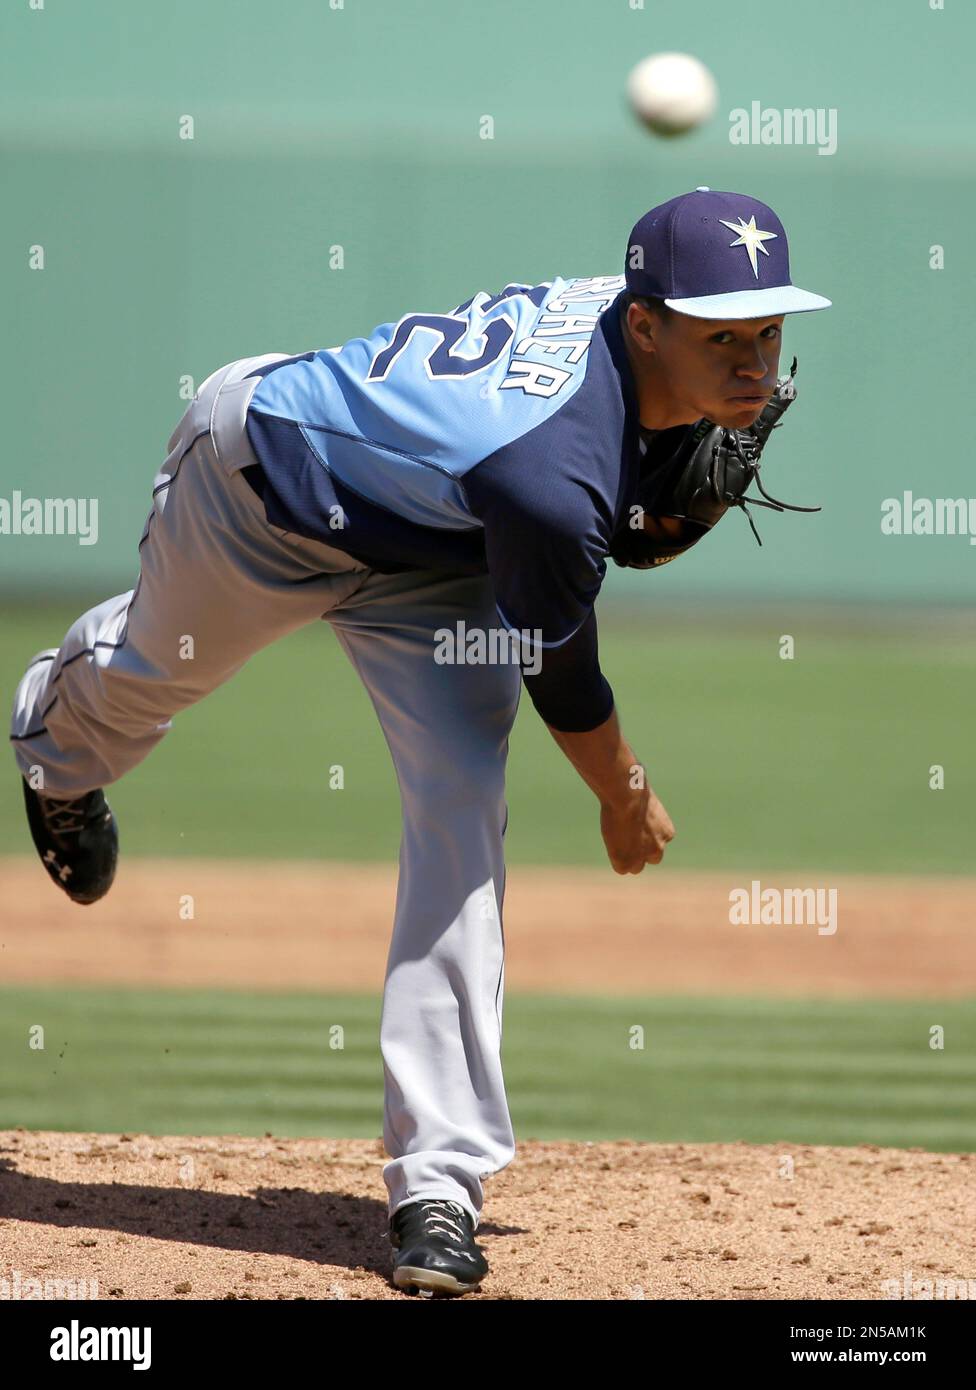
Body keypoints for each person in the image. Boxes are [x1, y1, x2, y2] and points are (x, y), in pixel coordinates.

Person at [9, 186, 830, 1298]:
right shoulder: (549, 479)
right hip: (261, 494)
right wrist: (623, 793)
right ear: (643, 323)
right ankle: (52, 744)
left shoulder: (609, 349)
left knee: (459, 804)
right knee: (145, 684)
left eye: (767, 331)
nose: (750, 360)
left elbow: (572, 457)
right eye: (719, 334)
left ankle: (437, 1186)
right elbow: (566, 675)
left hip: (439, 558)